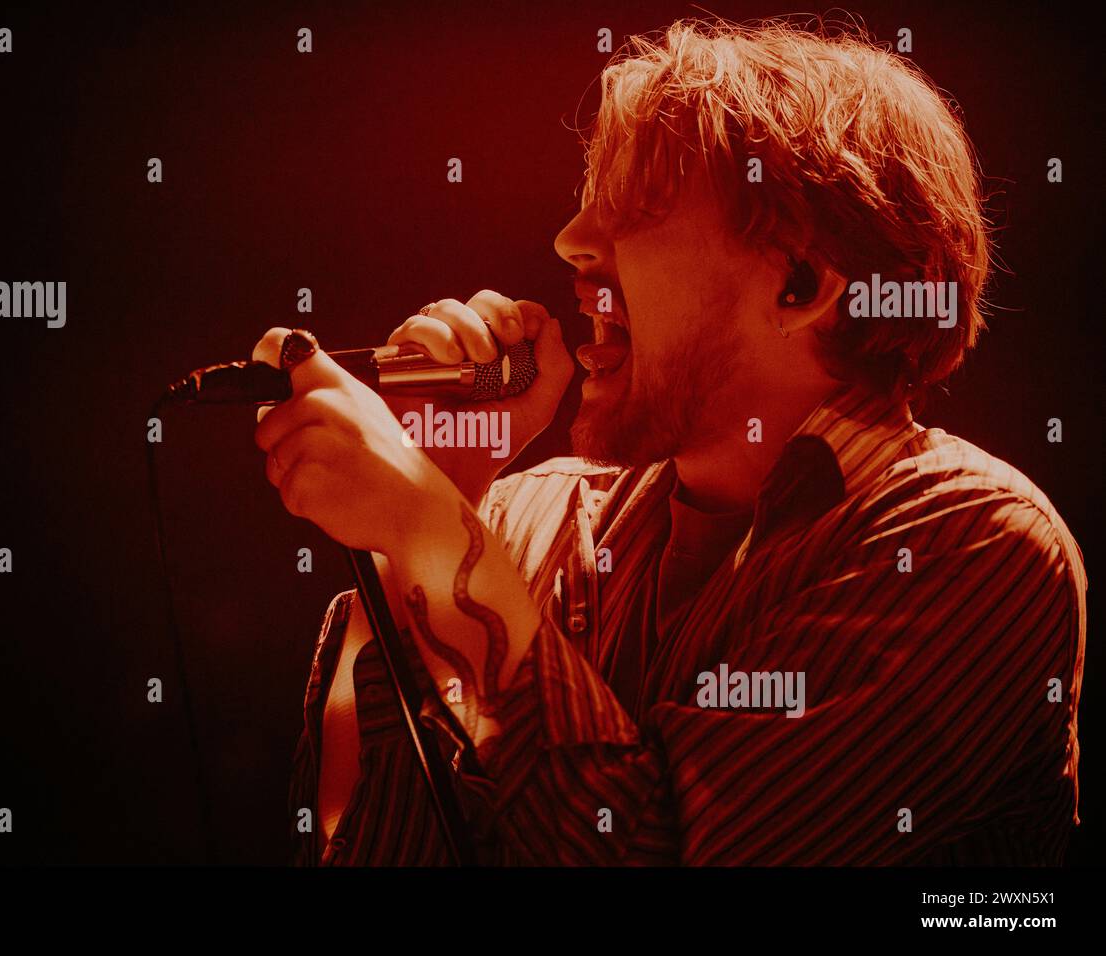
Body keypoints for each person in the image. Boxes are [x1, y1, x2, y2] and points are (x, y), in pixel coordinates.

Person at [250, 19, 1087, 865]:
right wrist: (446, 489)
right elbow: (346, 836)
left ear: (799, 283)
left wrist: (428, 529)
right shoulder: (522, 513)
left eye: (634, 210)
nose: (570, 241)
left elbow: (654, 852)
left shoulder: (971, 542)